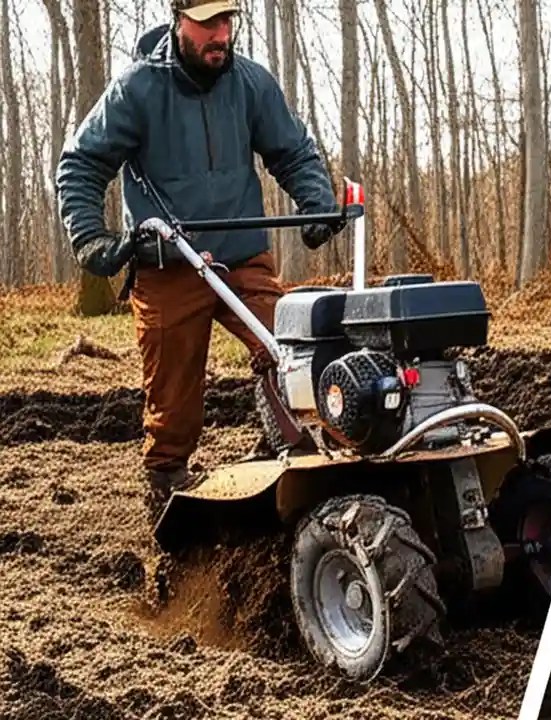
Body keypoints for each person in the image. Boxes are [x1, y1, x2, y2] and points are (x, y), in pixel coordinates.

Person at [55, 0, 341, 520]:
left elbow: (293, 151)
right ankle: (167, 494)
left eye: (228, 22)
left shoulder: (251, 83)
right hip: (168, 266)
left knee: (293, 352)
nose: (220, 35)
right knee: (173, 406)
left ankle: (306, 459)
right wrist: (93, 240)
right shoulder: (137, 89)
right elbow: (80, 164)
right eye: (208, 23)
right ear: (178, 20)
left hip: (242, 258)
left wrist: (317, 203)